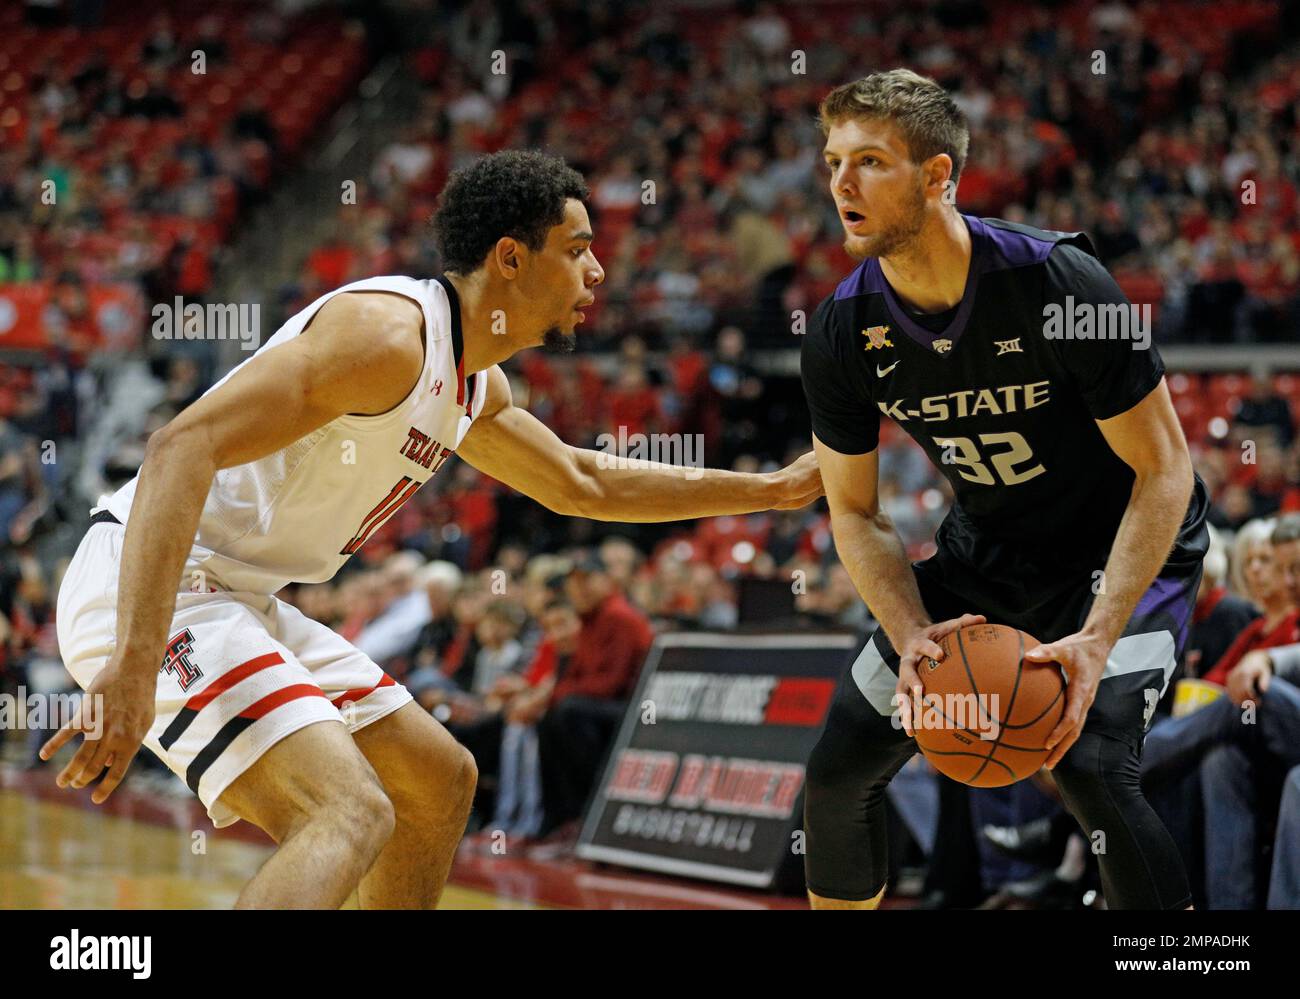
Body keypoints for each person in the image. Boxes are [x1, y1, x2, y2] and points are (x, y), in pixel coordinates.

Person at [50, 150, 822, 909]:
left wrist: (774, 490)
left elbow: (584, 482)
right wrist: (133, 657)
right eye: (579, 250)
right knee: (348, 810)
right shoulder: (386, 338)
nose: (598, 274)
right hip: (152, 581)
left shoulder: (471, 382)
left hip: (240, 596)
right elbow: (179, 445)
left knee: (438, 780)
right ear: (512, 258)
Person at [799, 70, 1208, 910]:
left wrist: (1097, 636)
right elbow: (855, 510)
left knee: (1093, 765)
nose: (841, 183)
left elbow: (1166, 469)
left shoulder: (1061, 282)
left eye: (870, 160)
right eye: (833, 160)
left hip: (1122, 551)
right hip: (987, 554)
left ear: (938, 176)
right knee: (840, 767)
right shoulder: (841, 329)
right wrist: (911, 630)